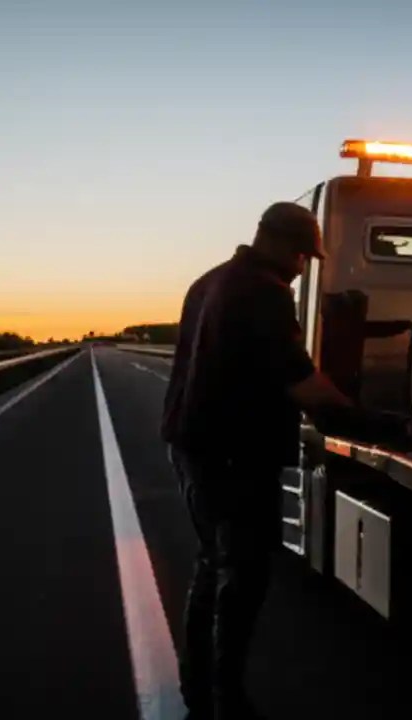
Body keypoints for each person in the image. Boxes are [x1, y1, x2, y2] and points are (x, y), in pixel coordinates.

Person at [161, 201, 352, 720]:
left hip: (192, 444)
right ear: (273, 242)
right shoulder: (263, 293)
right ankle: (229, 702)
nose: (301, 266)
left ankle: (199, 691)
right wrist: (370, 420)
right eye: (299, 254)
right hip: (234, 455)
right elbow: (302, 383)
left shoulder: (208, 282)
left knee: (211, 563)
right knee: (244, 578)